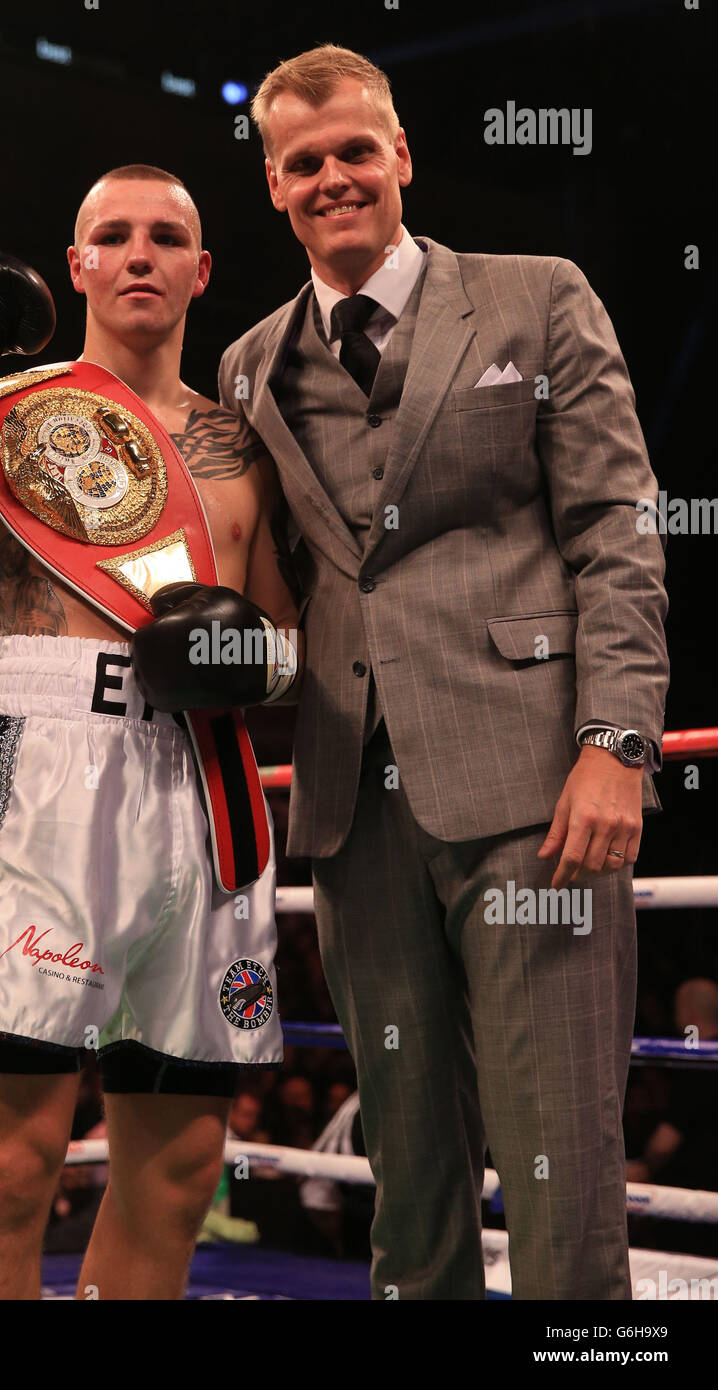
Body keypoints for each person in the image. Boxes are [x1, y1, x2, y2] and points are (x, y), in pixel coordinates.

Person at [218, 44, 669, 1299]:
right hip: (354, 811)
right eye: (302, 162)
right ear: (272, 185)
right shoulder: (249, 367)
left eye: (354, 150)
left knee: (553, 1161)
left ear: (400, 156)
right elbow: (280, 599)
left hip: (535, 792)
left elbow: (617, 533)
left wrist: (615, 744)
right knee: (405, 1174)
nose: (332, 178)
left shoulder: (534, 297)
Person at [0, 163, 300, 1300]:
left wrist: (253, 658)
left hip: (207, 788)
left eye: (165, 237)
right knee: (14, 1166)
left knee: (176, 1175)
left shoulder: (241, 447)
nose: (139, 254)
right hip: (48, 772)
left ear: (199, 270)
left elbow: (293, 639)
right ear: (75, 263)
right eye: (113, 236)